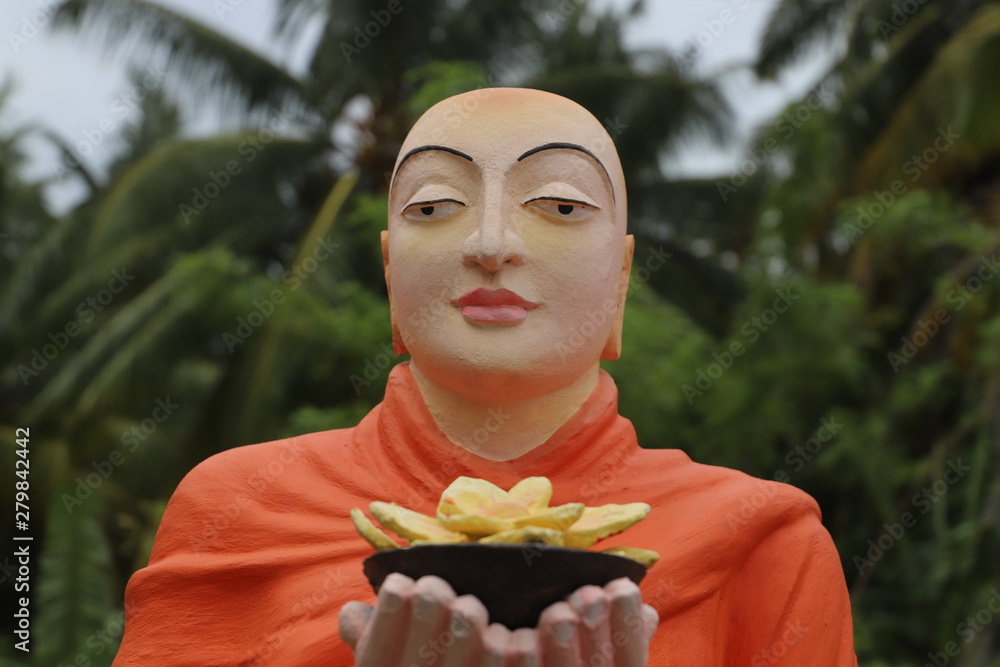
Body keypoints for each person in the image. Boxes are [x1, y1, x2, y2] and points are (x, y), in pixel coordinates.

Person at [110, 88, 857, 666]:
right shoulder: (239, 507)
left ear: (621, 278)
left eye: (561, 204)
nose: (491, 242)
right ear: (389, 267)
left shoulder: (760, 538)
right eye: (434, 206)